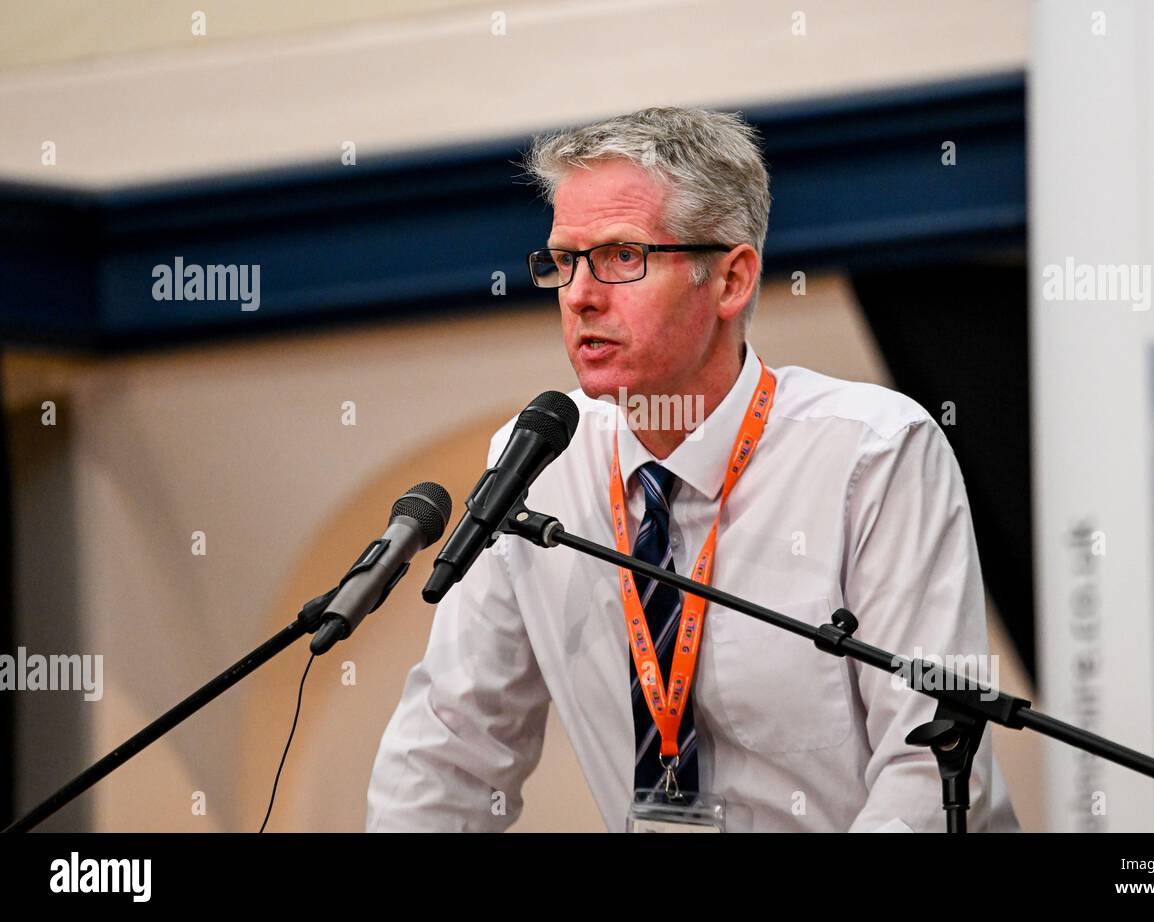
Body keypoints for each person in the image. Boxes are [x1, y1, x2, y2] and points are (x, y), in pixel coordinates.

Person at [366, 106, 1019, 832]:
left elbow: (927, 766)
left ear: (731, 279)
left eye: (621, 257)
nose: (579, 294)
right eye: (563, 260)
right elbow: (450, 750)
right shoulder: (534, 465)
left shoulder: (873, 453)